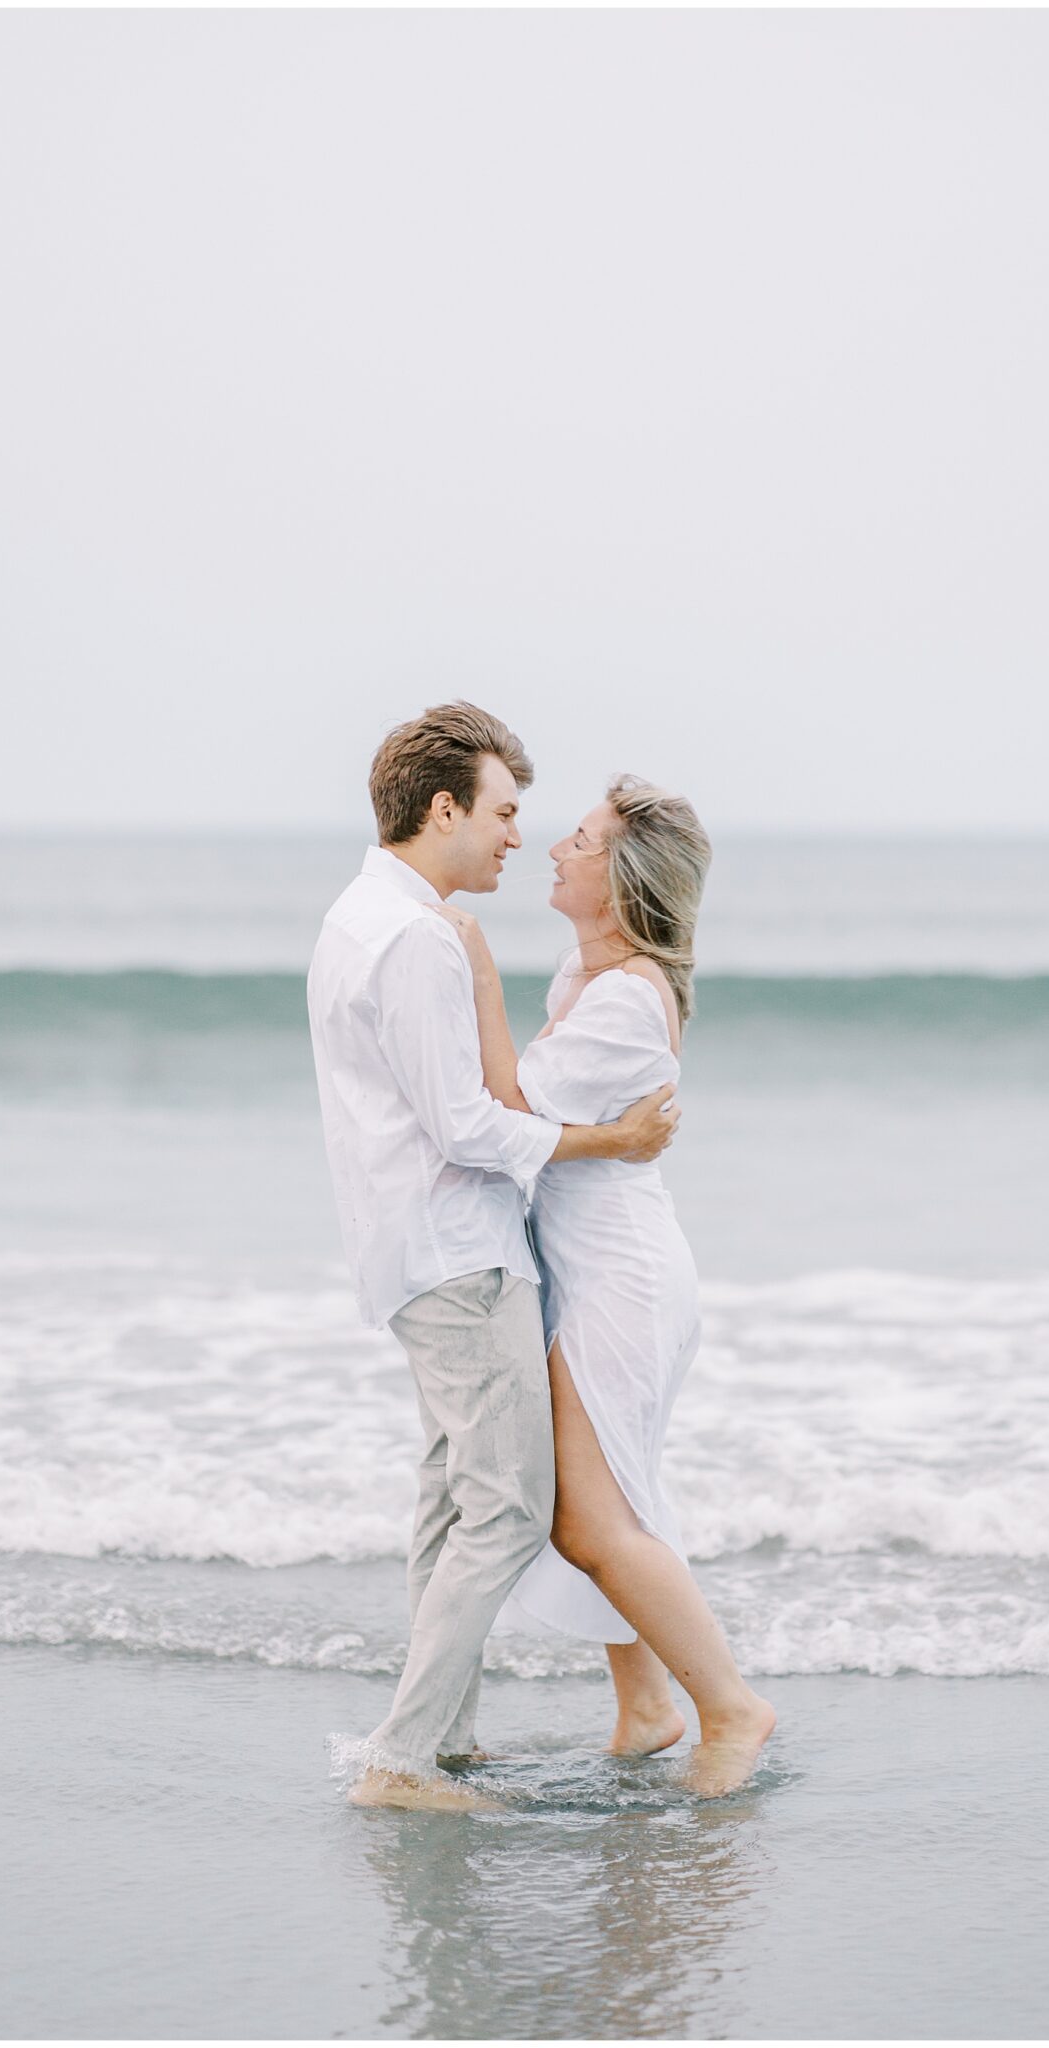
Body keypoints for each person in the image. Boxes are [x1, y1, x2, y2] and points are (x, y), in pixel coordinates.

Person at [307, 705, 680, 1813]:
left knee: (451, 1501)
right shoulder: (413, 936)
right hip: (455, 1250)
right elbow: (467, 1126)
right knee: (509, 1505)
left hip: (410, 1248)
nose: (518, 835)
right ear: (444, 808)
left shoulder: (357, 915)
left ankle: (440, 1739)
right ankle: (404, 1759)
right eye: (504, 811)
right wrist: (607, 1139)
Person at [430, 774, 776, 1798]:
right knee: (619, 1491)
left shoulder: (625, 997)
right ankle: (644, 1705)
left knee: (589, 1519)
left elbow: (510, 1109)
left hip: (619, 1276)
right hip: (589, 1266)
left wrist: (475, 976)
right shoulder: (587, 981)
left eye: (578, 839)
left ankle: (729, 1706)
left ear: (622, 878)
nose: (552, 848)